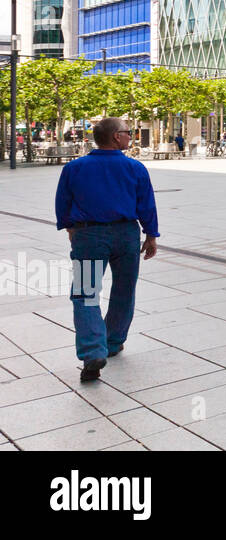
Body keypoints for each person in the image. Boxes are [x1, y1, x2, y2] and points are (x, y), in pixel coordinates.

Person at [55, 117, 159, 383]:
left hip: (88, 235)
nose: (131, 136)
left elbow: (63, 202)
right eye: (128, 132)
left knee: (86, 294)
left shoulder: (75, 168)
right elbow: (146, 204)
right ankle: (112, 343)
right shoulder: (135, 168)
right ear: (116, 137)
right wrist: (150, 235)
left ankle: (93, 352)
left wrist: (70, 228)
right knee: (124, 290)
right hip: (126, 234)